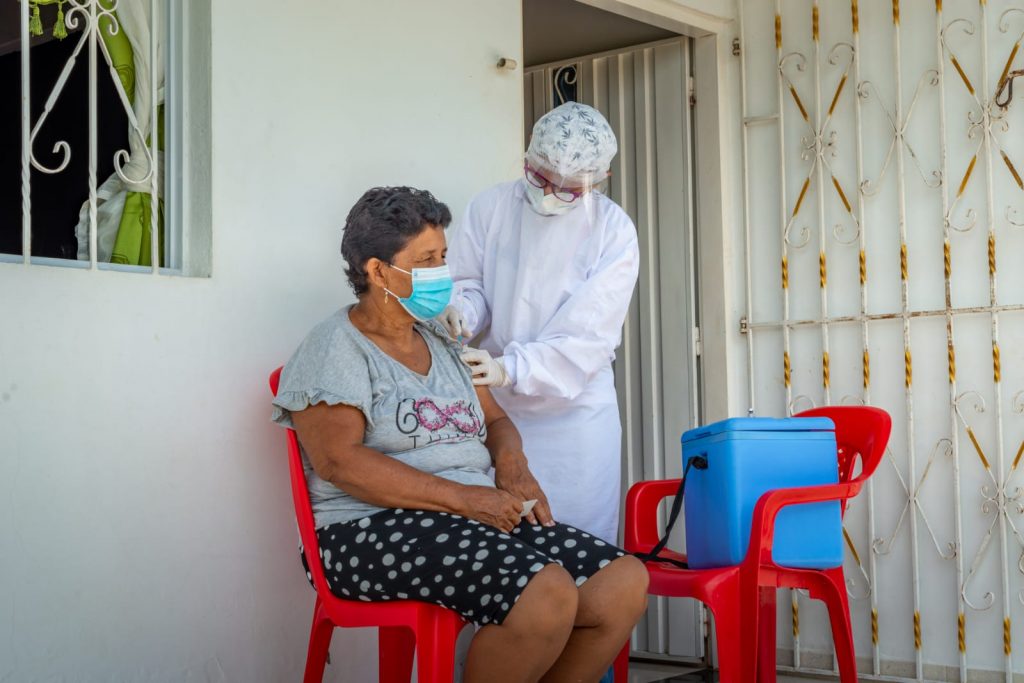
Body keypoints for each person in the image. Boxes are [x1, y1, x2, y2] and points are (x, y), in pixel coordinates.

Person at [272, 186, 647, 683]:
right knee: (546, 594)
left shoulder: (442, 339)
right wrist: (465, 499)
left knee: (620, 583)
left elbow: (494, 421)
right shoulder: (335, 347)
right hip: (365, 530)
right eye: (425, 259)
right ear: (378, 270)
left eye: (443, 257)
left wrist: (512, 466)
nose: (441, 273)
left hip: (461, 516)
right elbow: (340, 462)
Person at [442, 102, 641, 545]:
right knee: (498, 555)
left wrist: (508, 368)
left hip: (574, 419)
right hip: (495, 415)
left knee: (578, 552)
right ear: (527, 158)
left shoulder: (614, 232)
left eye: (568, 190)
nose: (549, 192)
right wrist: (461, 310)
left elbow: (586, 339)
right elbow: (469, 282)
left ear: (599, 181)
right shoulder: (490, 206)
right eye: (539, 177)